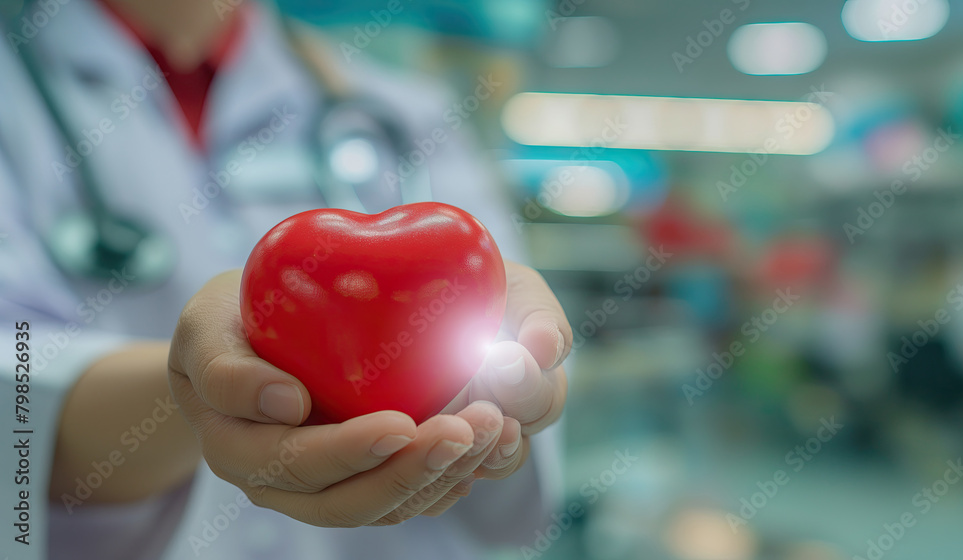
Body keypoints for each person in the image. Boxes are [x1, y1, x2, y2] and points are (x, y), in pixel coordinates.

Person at [0, 0, 570, 558]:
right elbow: (16, 392)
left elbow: (513, 496)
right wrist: (196, 386)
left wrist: (508, 391)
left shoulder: (404, 113)